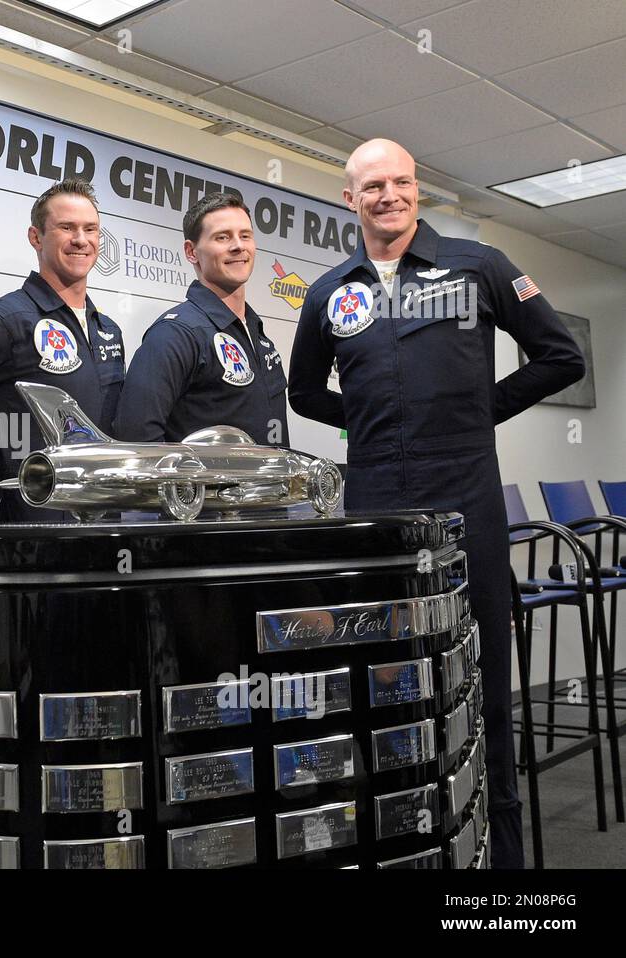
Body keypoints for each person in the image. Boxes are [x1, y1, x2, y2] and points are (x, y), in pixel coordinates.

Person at [289, 137, 585, 869]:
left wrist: (481, 411)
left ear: (416, 189)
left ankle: (501, 866)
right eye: (372, 186)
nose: (389, 196)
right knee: (381, 680)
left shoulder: (475, 265)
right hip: (376, 506)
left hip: (466, 499)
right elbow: (302, 391)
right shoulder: (330, 292)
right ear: (348, 199)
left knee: (483, 683)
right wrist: (369, 423)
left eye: (401, 182)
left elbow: (561, 357)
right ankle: (402, 845)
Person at [0, 179, 125, 520]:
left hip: (100, 517)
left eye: (90, 229)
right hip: (28, 520)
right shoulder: (6, 319)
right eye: (66, 227)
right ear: (36, 237)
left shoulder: (108, 330)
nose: (81, 239)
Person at [114, 193, 287, 447]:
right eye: (222, 237)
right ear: (191, 251)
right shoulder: (176, 333)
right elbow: (136, 437)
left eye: (245, 235)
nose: (238, 245)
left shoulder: (258, 335)